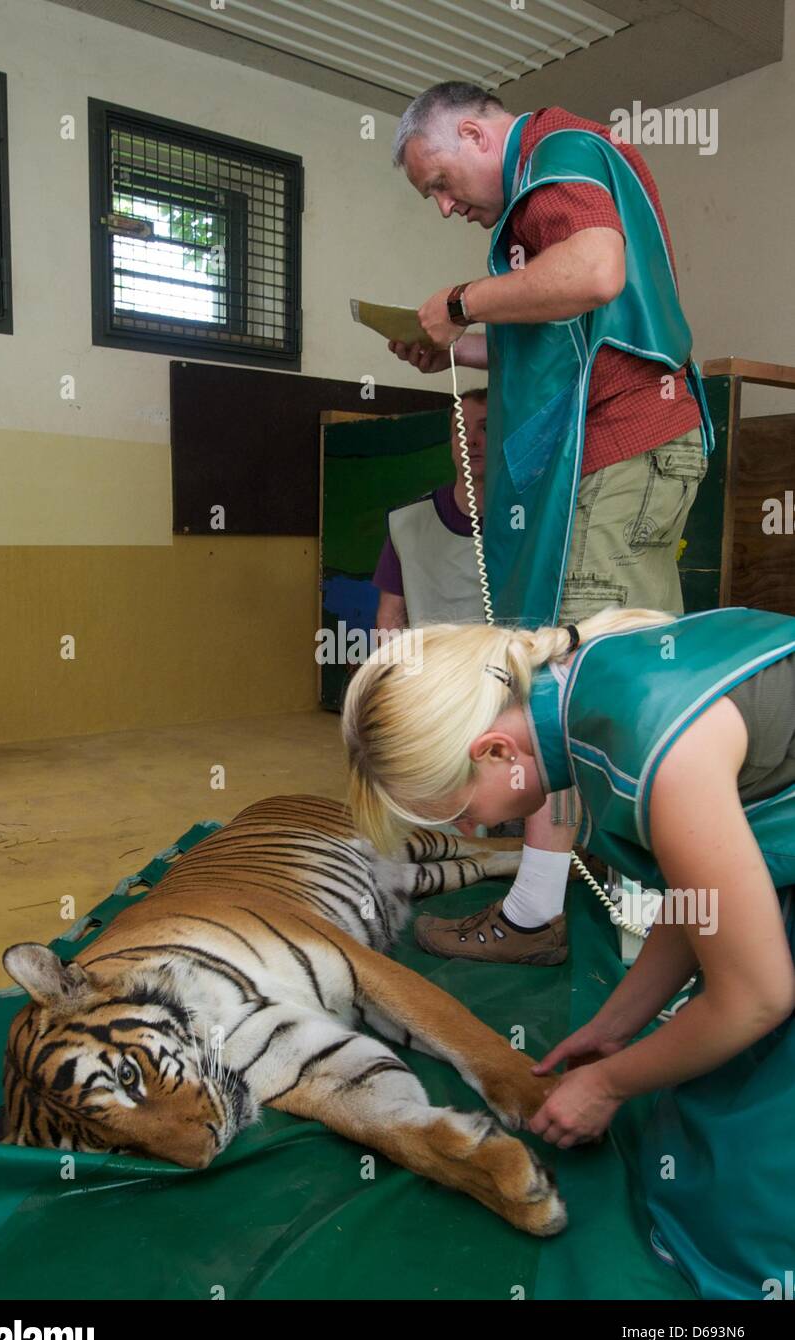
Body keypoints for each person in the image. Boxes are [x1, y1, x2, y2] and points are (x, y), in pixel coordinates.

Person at [341, 605, 795, 1299]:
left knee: (750, 1197)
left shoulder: (653, 751)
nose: (476, 827)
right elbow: (704, 895)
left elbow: (757, 995)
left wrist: (610, 1083)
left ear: (494, 752)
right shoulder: (578, 686)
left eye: (458, 812)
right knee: (698, 1114)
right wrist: (616, 1027)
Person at [386, 81, 713, 963]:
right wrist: (453, 345)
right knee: (626, 673)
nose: (447, 205)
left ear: (470, 129)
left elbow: (594, 271)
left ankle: (552, 916)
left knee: (571, 682)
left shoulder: (557, 158)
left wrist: (463, 302)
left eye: (441, 182)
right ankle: (645, 907)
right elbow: (571, 323)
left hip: (621, 450)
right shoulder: (555, 178)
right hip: (646, 446)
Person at [374, 389, 487, 630]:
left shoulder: (529, 522)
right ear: (452, 443)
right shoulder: (407, 523)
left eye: (485, 428)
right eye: (461, 430)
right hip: (430, 666)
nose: (472, 440)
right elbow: (389, 619)